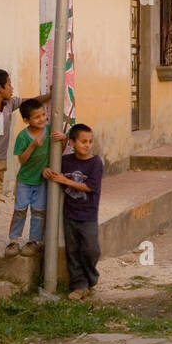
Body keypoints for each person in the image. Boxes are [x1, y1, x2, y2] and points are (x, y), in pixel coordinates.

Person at [0, 69, 51, 266]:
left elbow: (32, 101)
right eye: (9, 84)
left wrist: (50, 94)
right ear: (0, 88)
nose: (12, 88)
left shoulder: (11, 104)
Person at [44, 123, 104, 300]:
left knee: (91, 249)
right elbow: (54, 172)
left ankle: (91, 278)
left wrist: (65, 181)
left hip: (88, 214)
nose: (87, 145)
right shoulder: (66, 161)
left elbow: (90, 186)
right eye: (83, 141)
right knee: (73, 250)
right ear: (72, 143)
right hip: (70, 213)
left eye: (90, 141)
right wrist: (47, 171)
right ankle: (79, 285)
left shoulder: (95, 163)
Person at [7, 100, 64, 258]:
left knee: (39, 211)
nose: (42, 119)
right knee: (20, 210)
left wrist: (63, 138)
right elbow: (22, 160)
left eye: (43, 115)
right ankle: (13, 240)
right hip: (25, 180)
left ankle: (34, 241)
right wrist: (32, 145)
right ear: (26, 120)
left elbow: (60, 150)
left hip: (42, 181)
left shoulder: (49, 130)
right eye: (36, 117)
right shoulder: (23, 137)